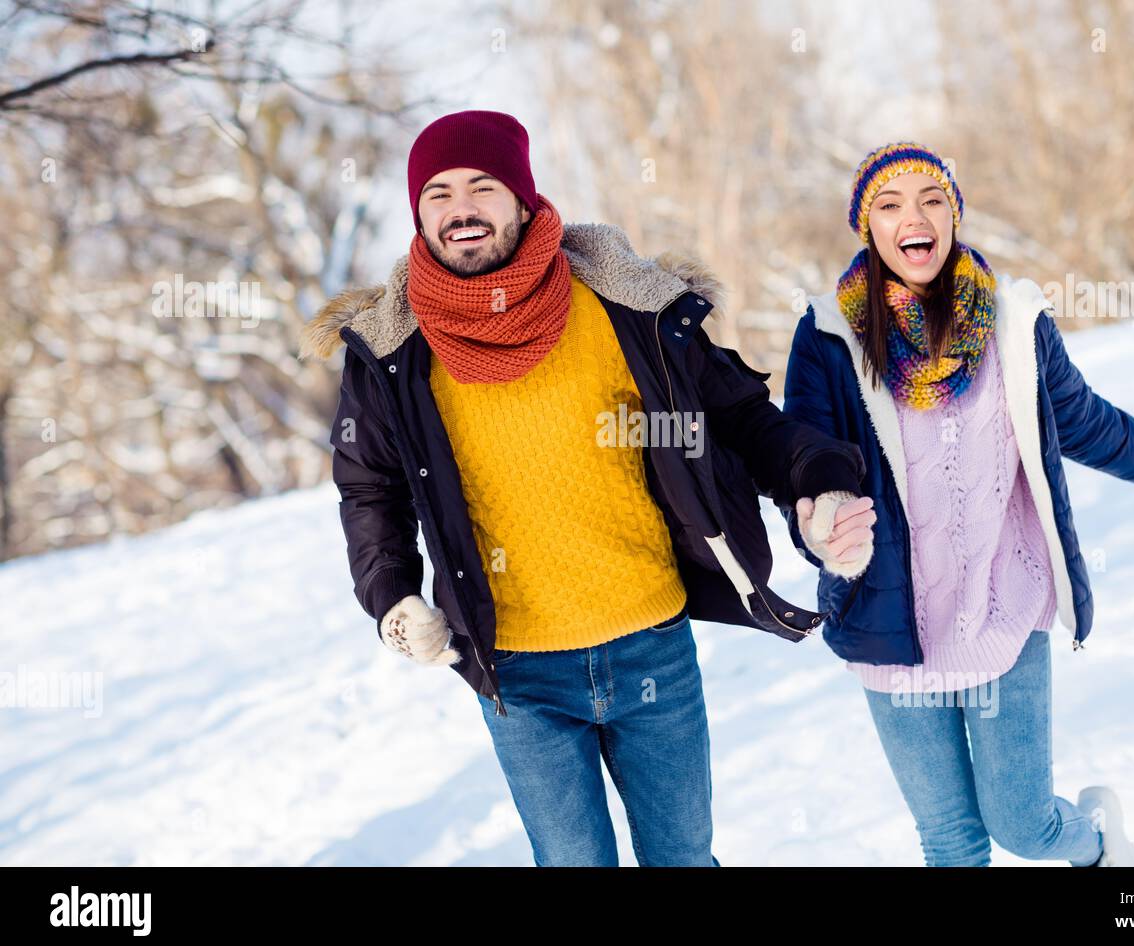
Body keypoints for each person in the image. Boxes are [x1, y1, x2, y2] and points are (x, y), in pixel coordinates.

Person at [299, 110, 869, 866]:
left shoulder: (626, 307)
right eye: (437, 193)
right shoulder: (392, 351)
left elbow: (739, 419)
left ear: (524, 200)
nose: (460, 208)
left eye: (482, 186)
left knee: (684, 860)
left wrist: (817, 484)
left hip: (650, 647)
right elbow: (369, 489)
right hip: (517, 671)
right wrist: (394, 599)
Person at [781, 141, 1134, 867]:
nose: (912, 217)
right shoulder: (827, 337)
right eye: (889, 205)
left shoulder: (1014, 321)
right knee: (950, 840)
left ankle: (1101, 848)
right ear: (868, 227)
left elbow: (1077, 419)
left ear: (952, 213)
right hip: (888, 623)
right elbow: (801, 458)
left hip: (1001, 607)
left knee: (1023, 825)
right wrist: (822, 524)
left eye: (931, 200)